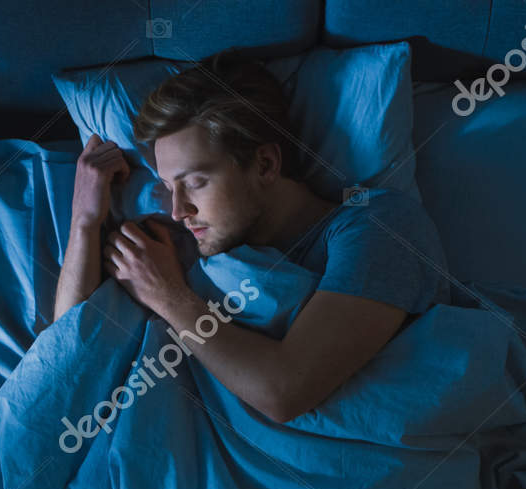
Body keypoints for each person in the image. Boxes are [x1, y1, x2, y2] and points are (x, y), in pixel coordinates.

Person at [53, 53, 449, 423]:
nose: (178, 209)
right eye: (167, 185)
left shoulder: (376, 224)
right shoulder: (191, 239)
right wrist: (85, 220)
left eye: (195, 182)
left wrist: (167, 296)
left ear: (265, 164)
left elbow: (284, 392)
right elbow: (66, 357)